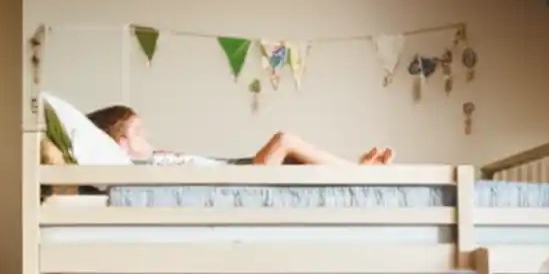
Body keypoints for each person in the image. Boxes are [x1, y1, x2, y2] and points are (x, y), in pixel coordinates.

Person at [86, 105, 395, 166]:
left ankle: (356, 172)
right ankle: (357, 173)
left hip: (237, 168)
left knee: (296, 161)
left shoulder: (150, 162)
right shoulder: (132, 171)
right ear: (120, 144)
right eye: (138, 133)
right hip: (240, 178)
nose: (147, 137)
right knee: (285, 140)